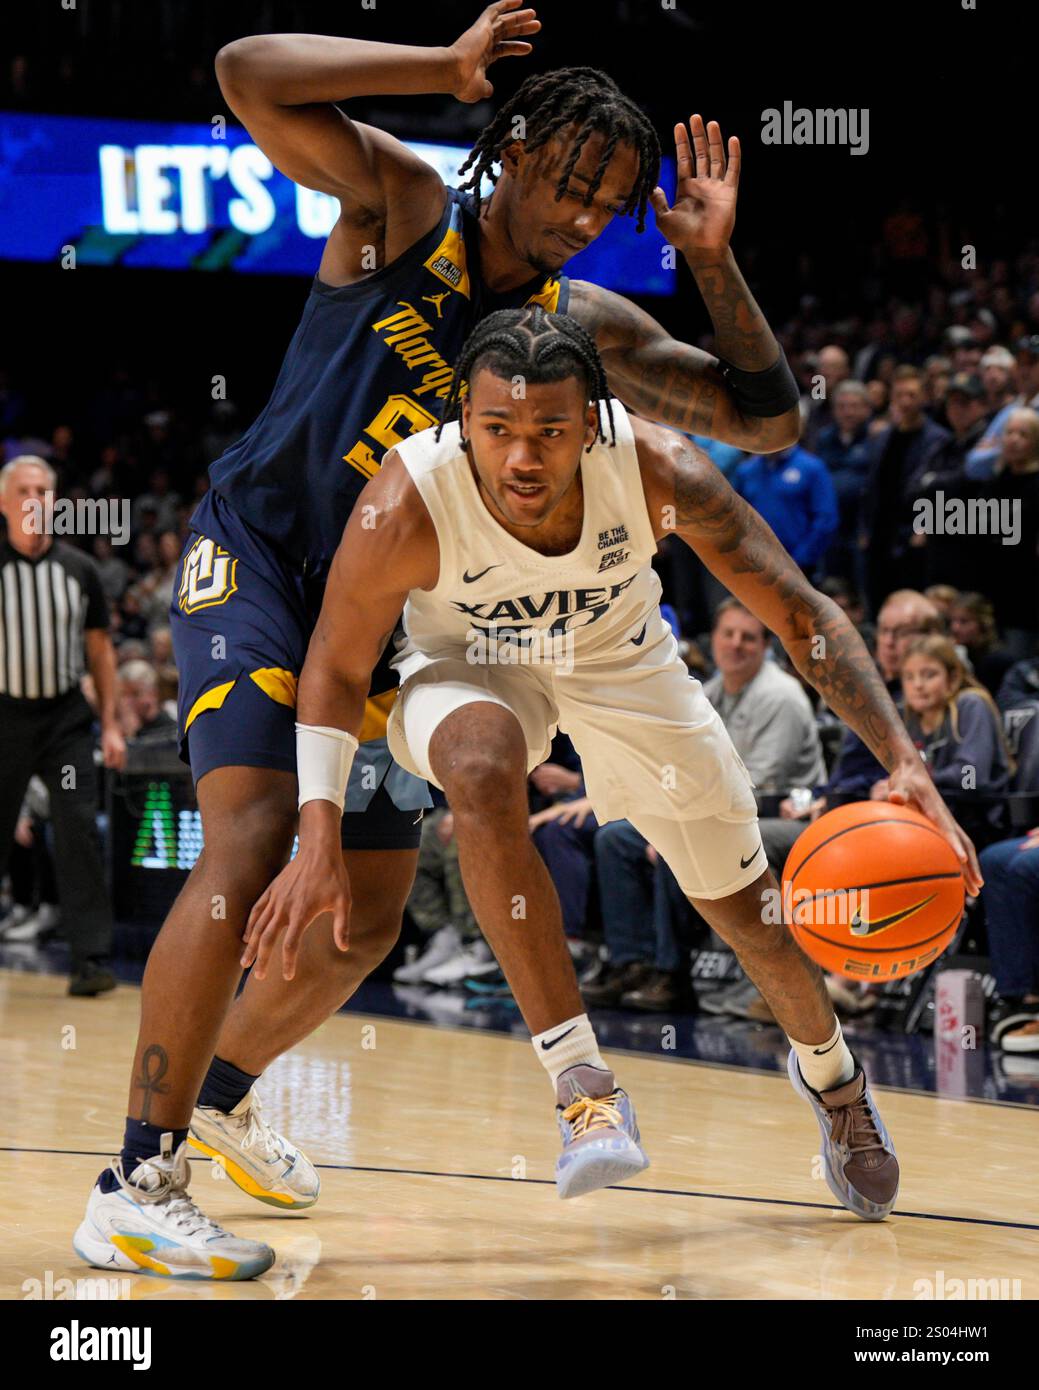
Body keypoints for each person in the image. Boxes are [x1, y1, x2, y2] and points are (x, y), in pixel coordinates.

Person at [76, 4, 805, 1281]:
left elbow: (766, 423)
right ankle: (135, 1176)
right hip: (259, 568)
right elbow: (244, 73)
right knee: (251, 842)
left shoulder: (585, 334)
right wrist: (439, 71)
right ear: (511, 148)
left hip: (396, 617)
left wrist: (710, 262)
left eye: (610, 198)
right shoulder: (402, 206)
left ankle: (217, 1094)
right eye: (569, 177)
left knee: (360, 921)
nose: (583, 210)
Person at [246, 308, 983, 1244]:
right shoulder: (406, 500)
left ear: (593, 420)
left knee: (746, 910)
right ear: (460, 420)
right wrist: (317, 838)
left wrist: (906, 765)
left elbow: (800, 613)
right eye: (497, 430)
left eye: (550, 432)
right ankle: (583, 1086)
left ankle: (835, 1080)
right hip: (469, 664)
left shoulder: (656, 469)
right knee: (478, 765)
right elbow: (337, 669)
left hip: (622, 663)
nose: (521, 457)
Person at [0, 457, 126, 993]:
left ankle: (90, 960)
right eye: (24, 490)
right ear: (5, 502)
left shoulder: (80, 571)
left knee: (76, 828)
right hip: (4, 715)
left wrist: (113, 725)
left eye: (44, 491)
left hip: (65, 719)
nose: (35, 499)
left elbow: (101, 652)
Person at [731, 432, 838, 580]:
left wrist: (801, 558)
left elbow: (825, 518)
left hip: (800, 566)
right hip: (754, 564)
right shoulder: (746, 470)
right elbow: (735, 517)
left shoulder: (812, 467)